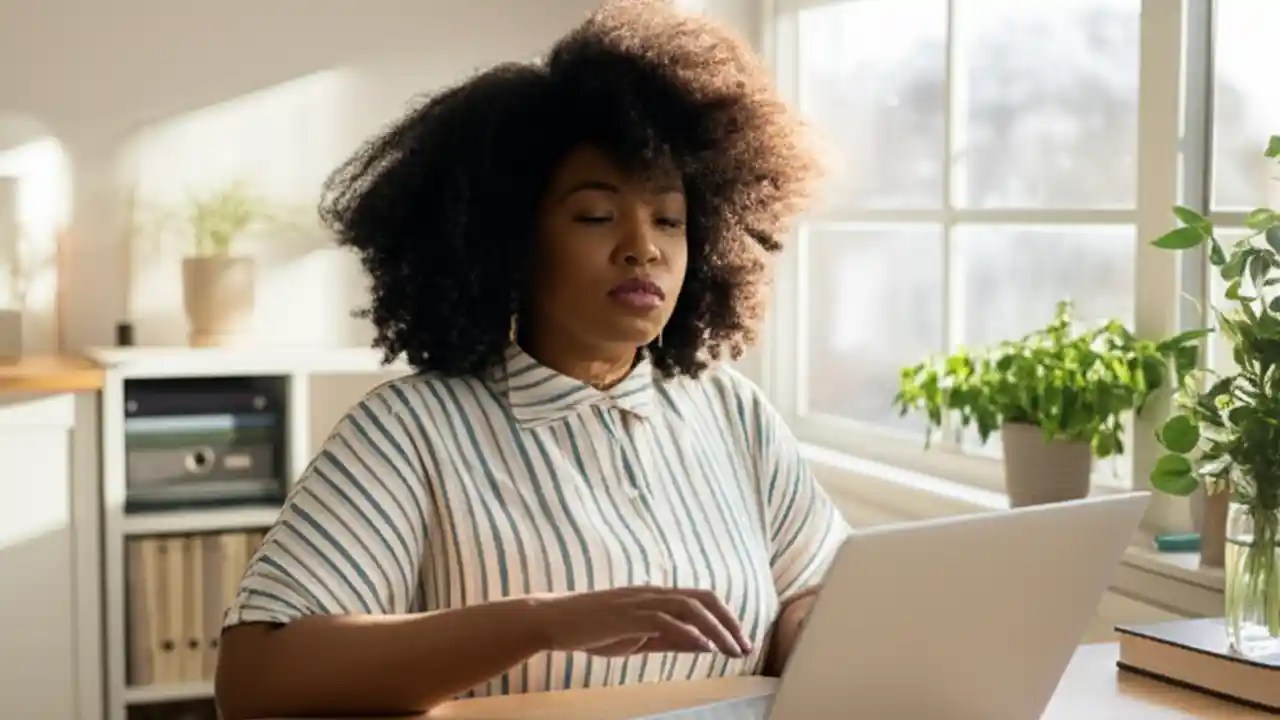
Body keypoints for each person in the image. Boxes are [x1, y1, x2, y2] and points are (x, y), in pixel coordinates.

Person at [213, 1, 848, 718]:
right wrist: (545, 622)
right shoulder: (411, 430)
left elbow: (807, 594)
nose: (644, 247)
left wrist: (827, 634)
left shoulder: (731, 411)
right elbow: (257, 679)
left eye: (669, 219)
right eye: (596, 216)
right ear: (509, 240)